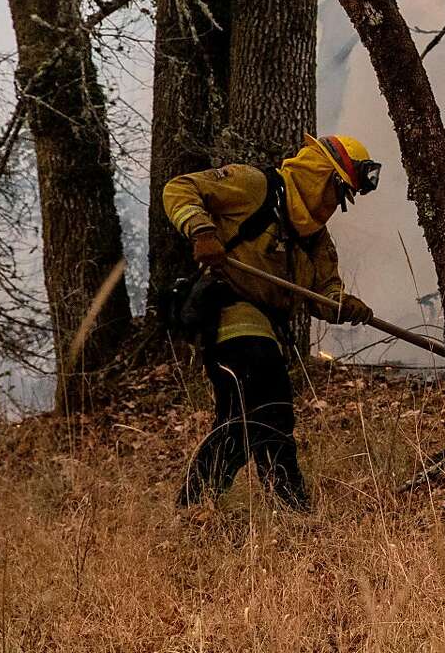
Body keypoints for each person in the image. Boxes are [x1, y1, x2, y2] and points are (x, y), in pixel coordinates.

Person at [163, 132, 382, 511]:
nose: (336, 205)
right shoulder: (253, 186)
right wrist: (202, 231)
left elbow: (325, 291)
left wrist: (346, 305)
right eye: (338, 190)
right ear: (318, 174)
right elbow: (178, 189)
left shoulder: (314, 237)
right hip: (230, 313)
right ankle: (289, 508)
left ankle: (201, 507)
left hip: (265, 329)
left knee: (248, 420)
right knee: (268, 410)